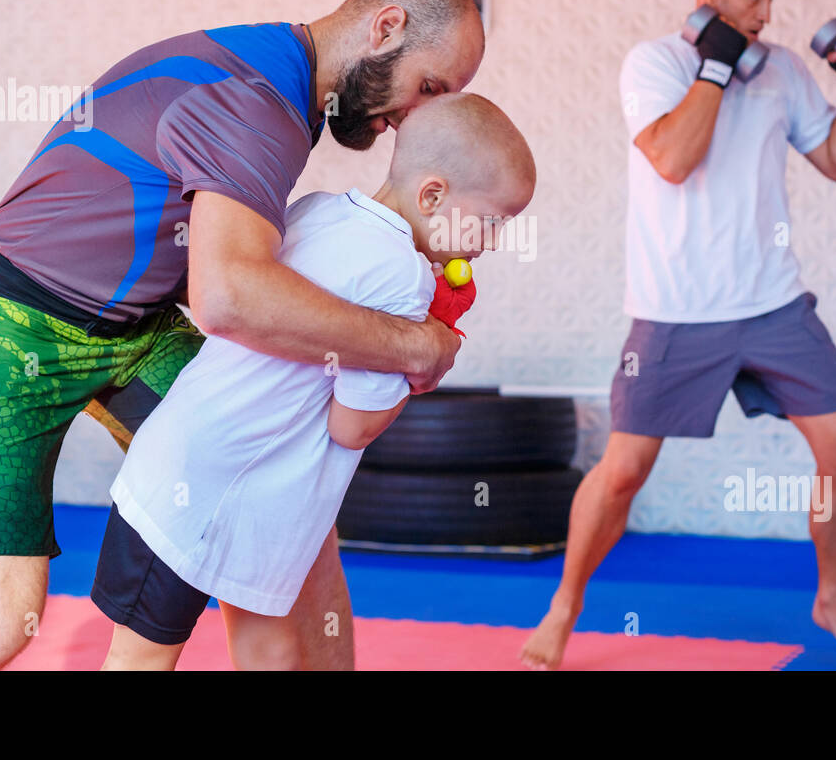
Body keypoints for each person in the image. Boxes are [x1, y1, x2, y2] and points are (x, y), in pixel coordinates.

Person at [0, 0, 485, 671]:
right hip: (13, 318)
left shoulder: (287, 86)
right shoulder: (257, 101)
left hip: (135, 326)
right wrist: (412, 344)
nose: (413, 120)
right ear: (387, 28)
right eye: (428, 88)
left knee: (282, 510)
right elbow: (228, 296)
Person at [521, 0, 836, 668]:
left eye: (773, 0)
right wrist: (715, 67)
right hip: (675, 309)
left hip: (773, 303)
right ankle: (564, 607)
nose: (768, 14)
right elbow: (673, 159)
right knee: (623, 470)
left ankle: (832, 600)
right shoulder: (653, 63)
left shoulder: (782, 68)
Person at [90, 93, 535, 669]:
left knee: (269, 646)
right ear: (433, 196)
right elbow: (351, 427)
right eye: (491, 222)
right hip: (207, 491)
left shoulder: (319, 209)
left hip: (237, 492)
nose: (492, 242)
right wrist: (418, 358)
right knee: (144, 659)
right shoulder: (404, 280)